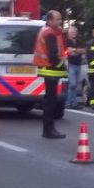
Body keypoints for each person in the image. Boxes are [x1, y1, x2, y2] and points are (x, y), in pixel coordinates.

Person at [34, 9, 67, 139]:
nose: (60, 21)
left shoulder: (47, 31)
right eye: (57, 19)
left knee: (49, 99)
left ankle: (48, 129)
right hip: (51, 69)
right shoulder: (50, 33)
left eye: (60, 19)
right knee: (50, 100)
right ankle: (49, 130)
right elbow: (53, 55)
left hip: (48, 68)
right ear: (50, 20)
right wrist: (62, 62)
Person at [63, 25, 86, 110]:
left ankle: (73, 103)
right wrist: (77, 51)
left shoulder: (79, 41)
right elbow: (68, 51)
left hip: (78, 65)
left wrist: (74, 50)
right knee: (72, 84)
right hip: (70, 64)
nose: (74, 33)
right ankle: (69, 102)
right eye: (72, 32)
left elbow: (83, 50)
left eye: (75, 32)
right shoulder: (66, 41)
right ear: (69, 33)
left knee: (75, 85)